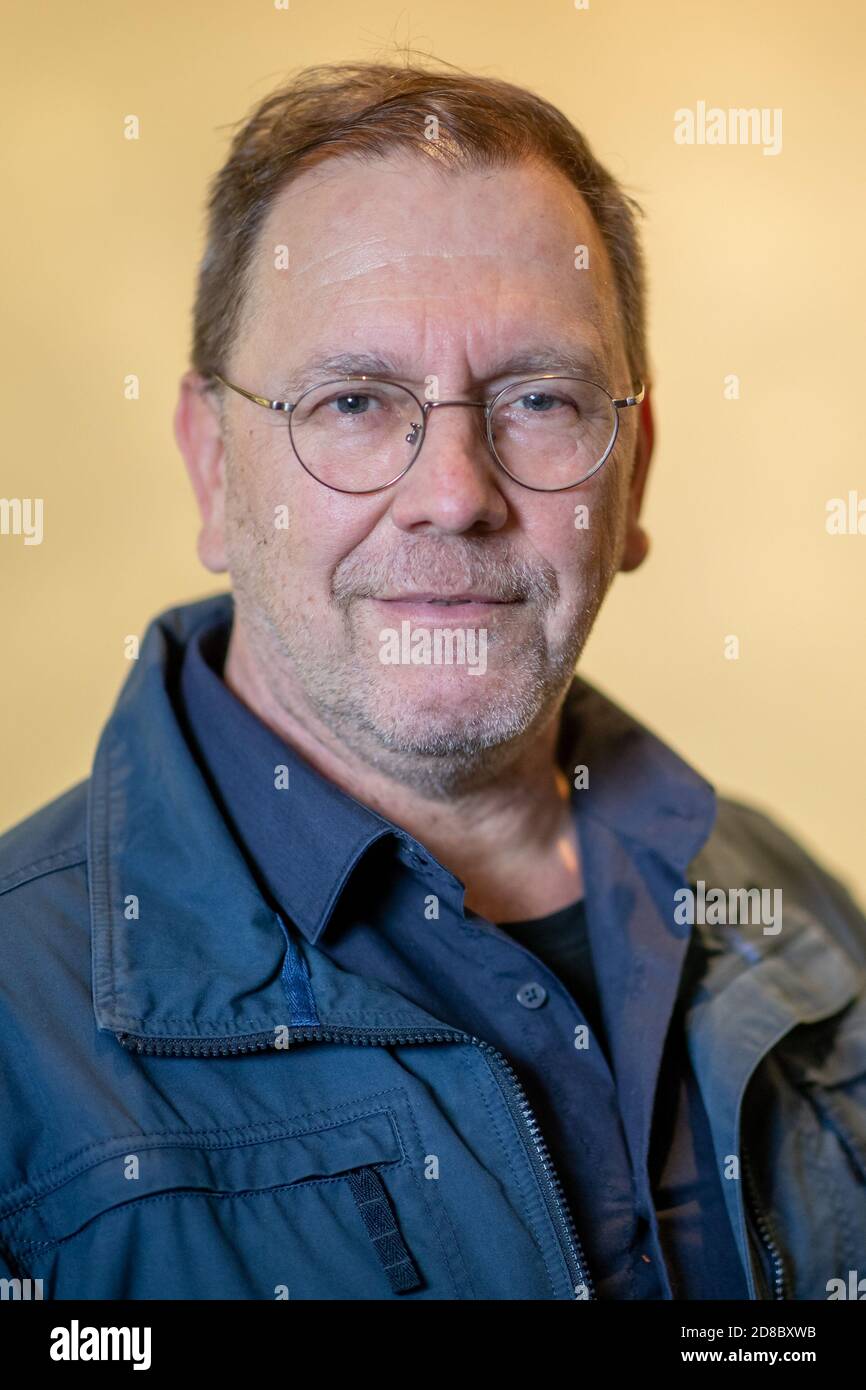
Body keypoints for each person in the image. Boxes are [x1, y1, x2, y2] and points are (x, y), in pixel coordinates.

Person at [1, 59, 864, 1303]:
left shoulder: (793, 904)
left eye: (537, 398)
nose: (454, 493)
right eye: (353, 401)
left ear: (634, 474)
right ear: (210, 468)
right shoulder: (18, 1038)